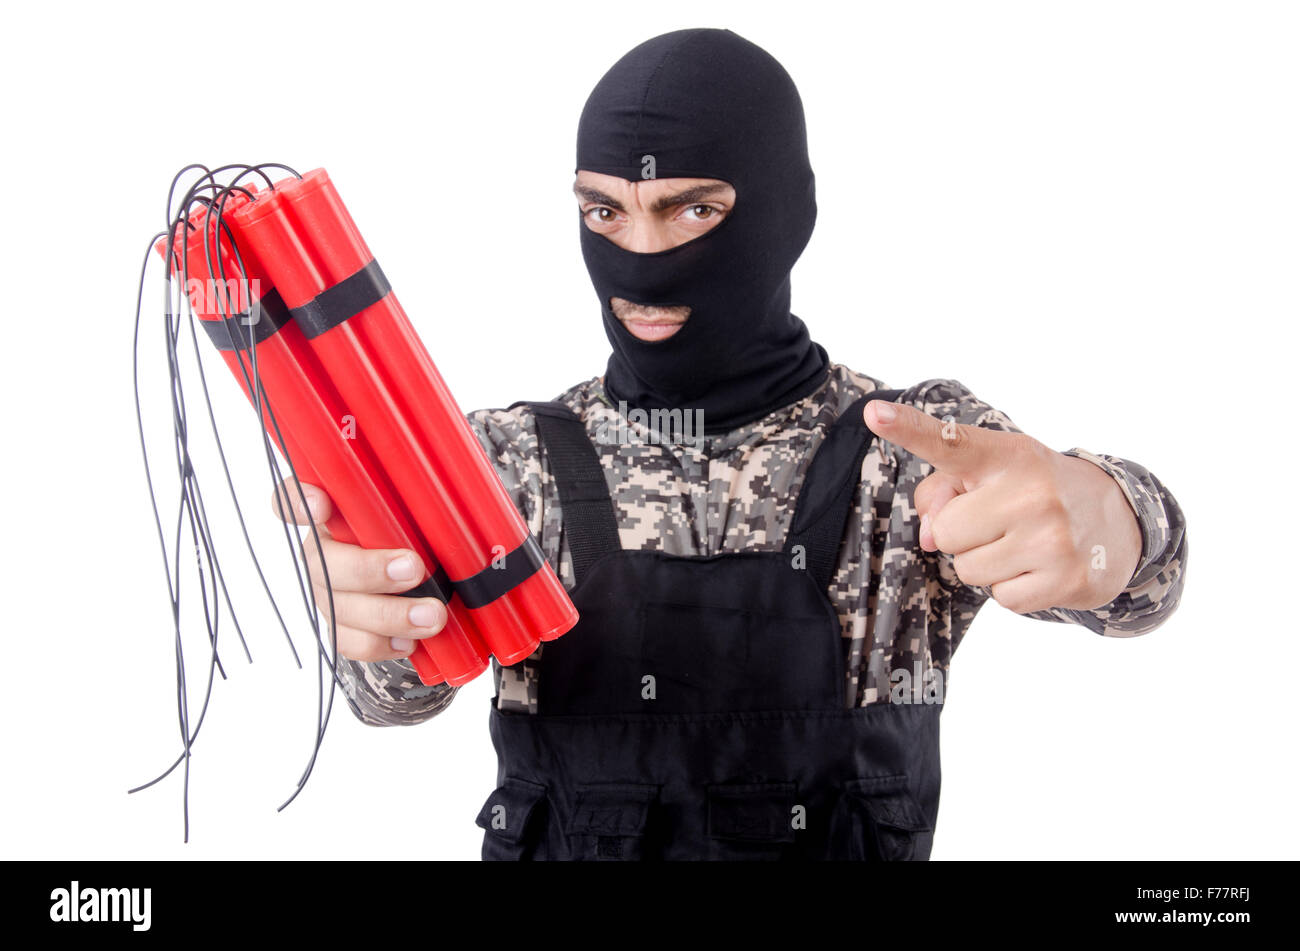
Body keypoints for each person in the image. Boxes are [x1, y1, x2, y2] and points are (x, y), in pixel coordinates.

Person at [275, 28, 1186, 860]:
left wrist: (1106, 518)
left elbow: (1144, 591)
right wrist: (379, 609)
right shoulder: (498, 463)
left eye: (692, 211)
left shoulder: (908, 456)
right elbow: (390, 699)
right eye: (603, 213)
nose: (639, 258)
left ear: (788, 211)